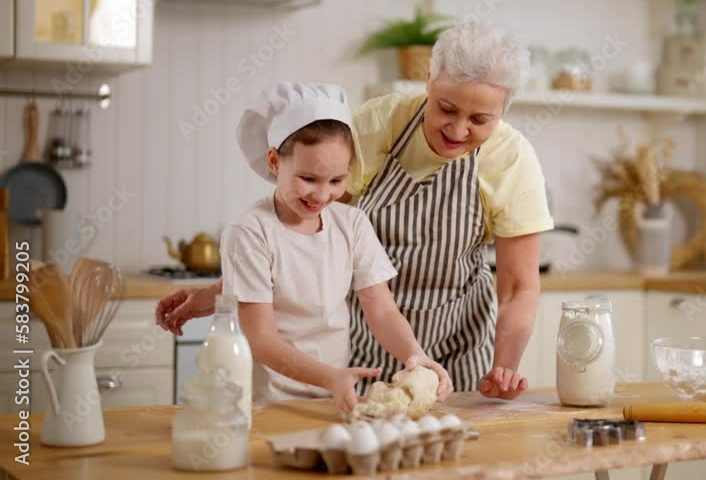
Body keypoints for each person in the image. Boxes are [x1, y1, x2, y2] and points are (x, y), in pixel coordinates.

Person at [156, 21, 552, 400]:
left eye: (480, 120)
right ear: (429, 78)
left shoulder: (511, 159)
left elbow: (518, 286)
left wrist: (504, 367)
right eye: (446, 108)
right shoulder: (377, 125)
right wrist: (221, 294)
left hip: (460, 345)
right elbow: (307, 238)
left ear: (503, 112)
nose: (458, 130)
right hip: (364, 340)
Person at [220, 82, 451, 413]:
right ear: (274, 161)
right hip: (266, 405)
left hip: (332, 400)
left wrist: (415, 353)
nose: (322, 195)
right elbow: (262, 339)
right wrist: (330, 377)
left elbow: (381, 308)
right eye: (309, 179)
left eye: (336, 181)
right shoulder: (250, 233)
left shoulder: (352, 224)